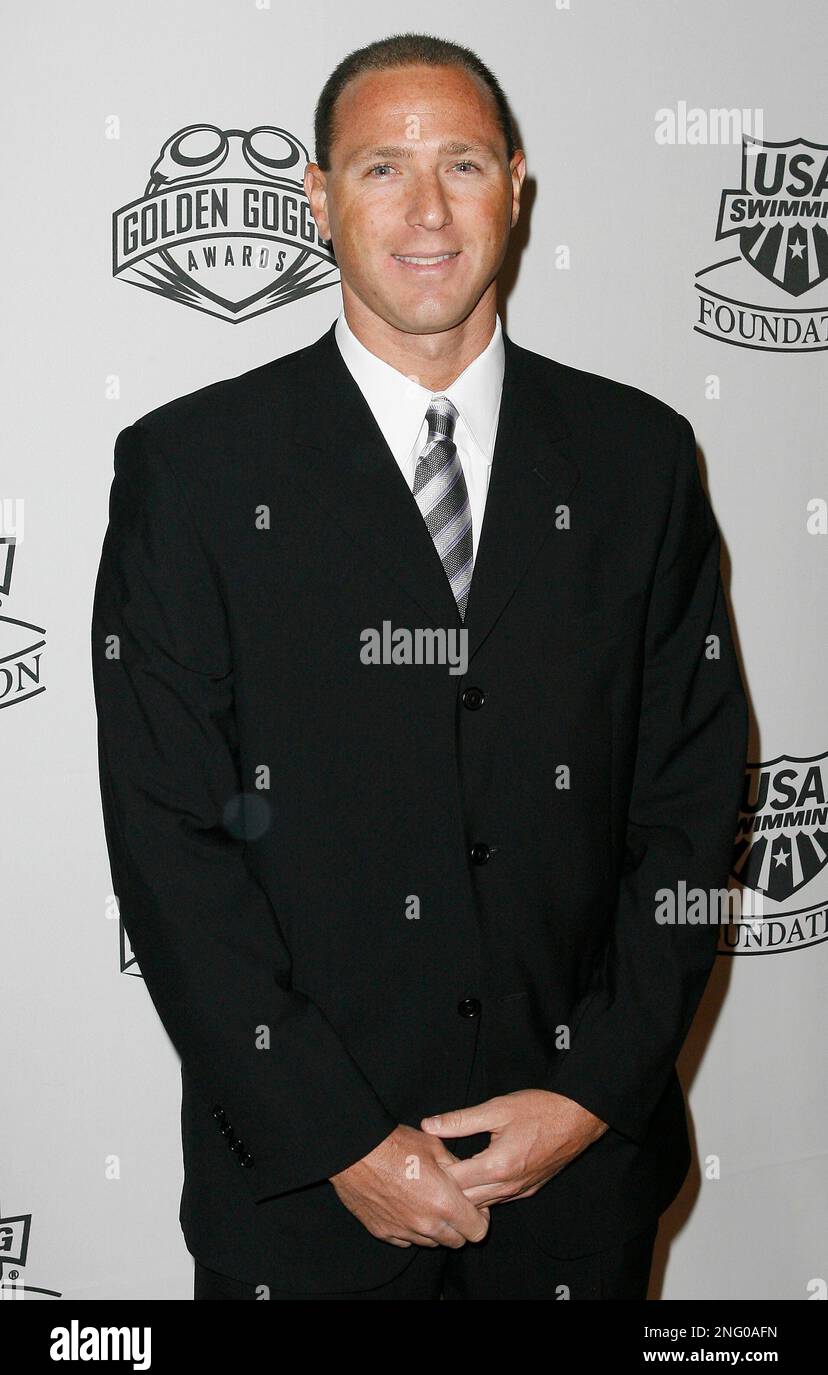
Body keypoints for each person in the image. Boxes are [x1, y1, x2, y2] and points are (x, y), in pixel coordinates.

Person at [91, 32, 749, 1301]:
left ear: (517, 185)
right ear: (318, 201)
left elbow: (691, 801)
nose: (428, 210)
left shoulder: (640, 462)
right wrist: (336, 1135)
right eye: (382, 168)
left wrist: (590, 1090)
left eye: (461, 164)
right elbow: (168, 843)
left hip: (580, 1201)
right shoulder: (195, 471)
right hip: (299, 1208)